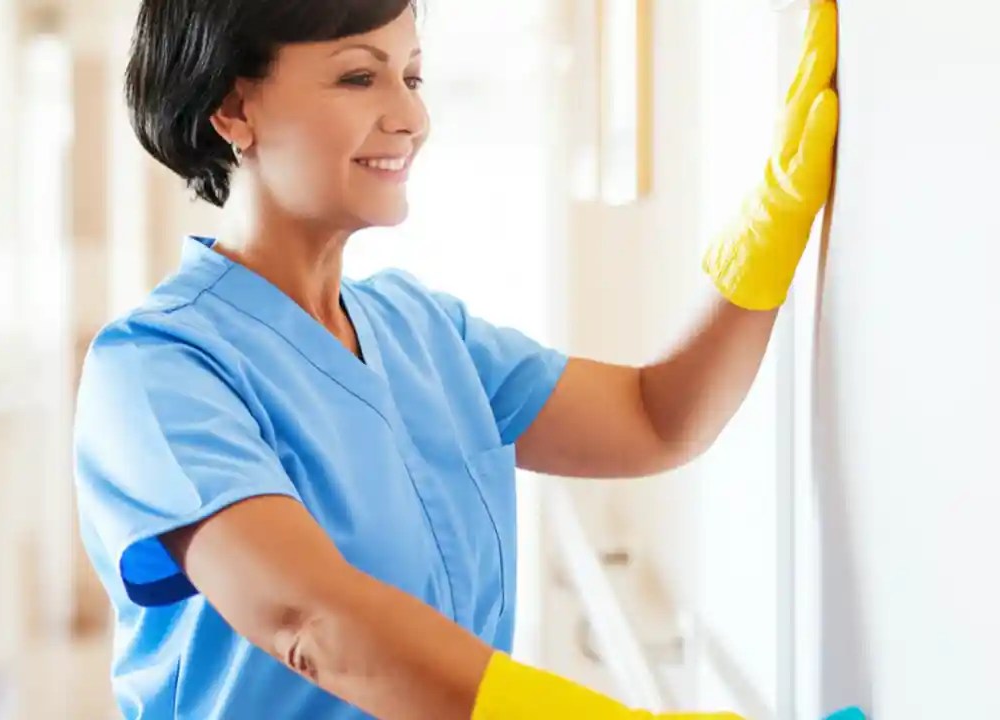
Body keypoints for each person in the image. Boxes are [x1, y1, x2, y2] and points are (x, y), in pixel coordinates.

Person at [72, 0, 839, 717]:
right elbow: (313, 622)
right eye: (359, 75)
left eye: (411, 76)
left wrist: (771, 226)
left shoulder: (422, 332)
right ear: (233, 107)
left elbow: (655, 419)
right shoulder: (155, 369)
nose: (410, 117)